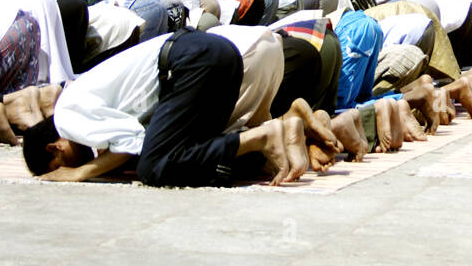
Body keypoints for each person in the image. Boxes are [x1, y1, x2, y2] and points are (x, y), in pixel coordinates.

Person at [22, 29, 341, 186]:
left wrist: (78, 173)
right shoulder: (81, 103)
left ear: (56, 147)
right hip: (213, 53)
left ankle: (266, 135)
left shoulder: (66, 118)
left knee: (154, 167)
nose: (64, 169)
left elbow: (136, 144)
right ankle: (288, 121)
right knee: (215, 155)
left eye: (58, 165)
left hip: (193, 60)